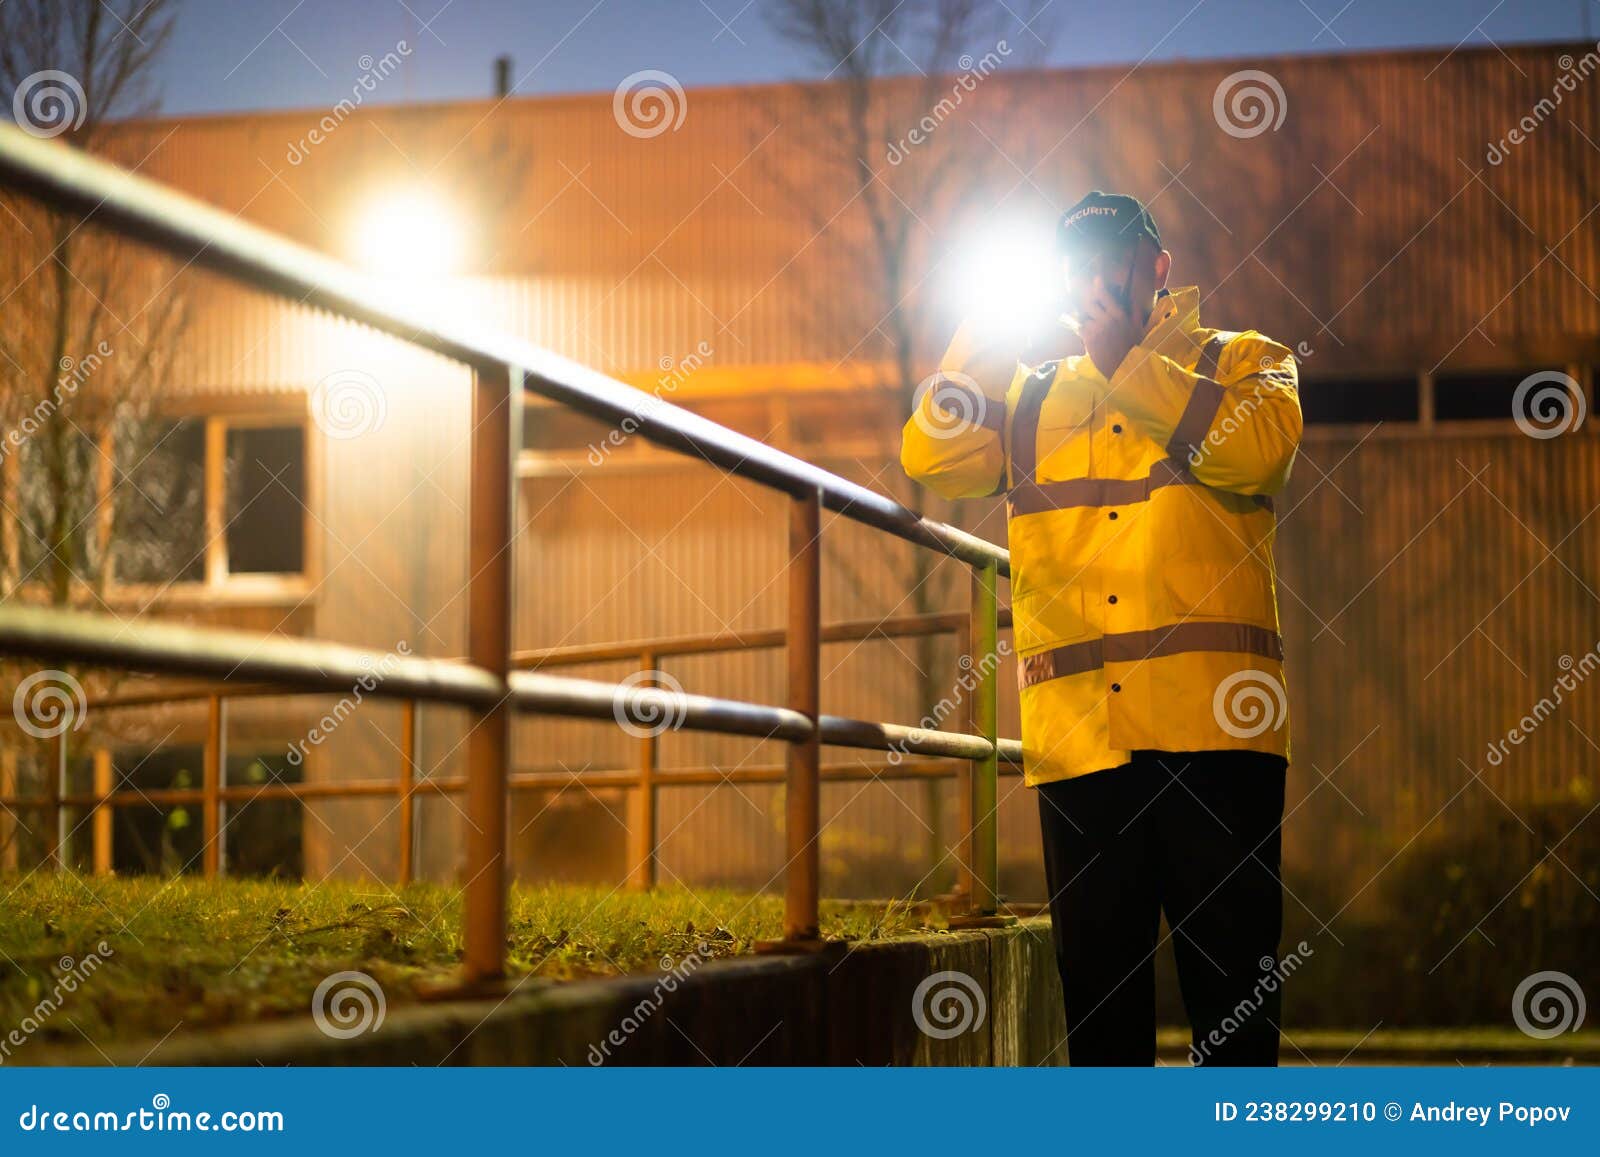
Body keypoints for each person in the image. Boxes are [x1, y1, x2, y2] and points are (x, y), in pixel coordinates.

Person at [901, 191, 1303, 1066]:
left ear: (1156, 268)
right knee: (1103, 1029)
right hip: (1084, 748)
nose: (1088, 279)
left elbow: (1257, 450)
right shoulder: (1032, 390)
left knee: (1235, 1018)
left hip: (1217, 741)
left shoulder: (1242, 360)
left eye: (1106, 258)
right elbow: (929, 455)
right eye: (1073, 262)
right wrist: (988, 327)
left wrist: (1130, 364)